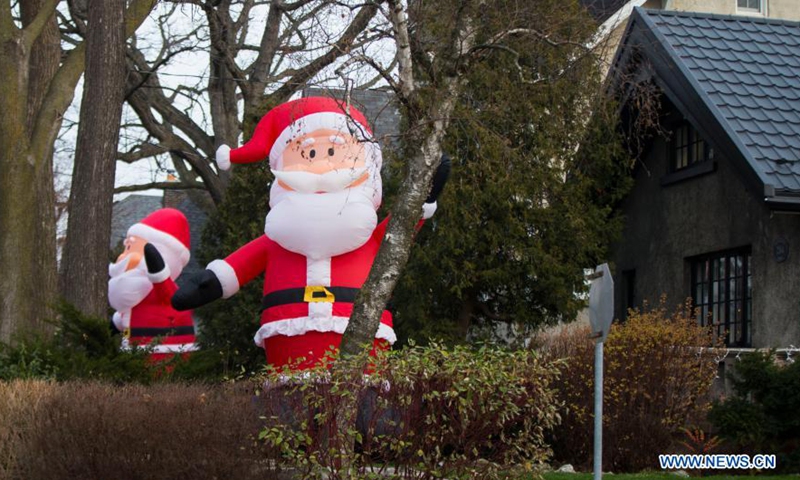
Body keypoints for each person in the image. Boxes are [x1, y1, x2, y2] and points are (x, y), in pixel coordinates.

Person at [172, 97, 449, 370]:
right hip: (287, 338)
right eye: (307, 153)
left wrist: (422, 199)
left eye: (334, 152)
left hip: (360, 337)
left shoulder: (369, 238)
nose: (321, 169)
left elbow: (399, 230)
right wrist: (209, 283)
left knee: (358, 406)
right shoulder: (277, 240)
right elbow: (236, 267)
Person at [108, 208, 197, 363]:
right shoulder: (138, 293)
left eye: (130, 248)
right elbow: (128, 312)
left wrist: (157, 270)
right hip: (134, 356)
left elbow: (165, 291)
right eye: (126, 248)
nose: (122, 256)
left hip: (162, 356)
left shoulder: (165, 289)